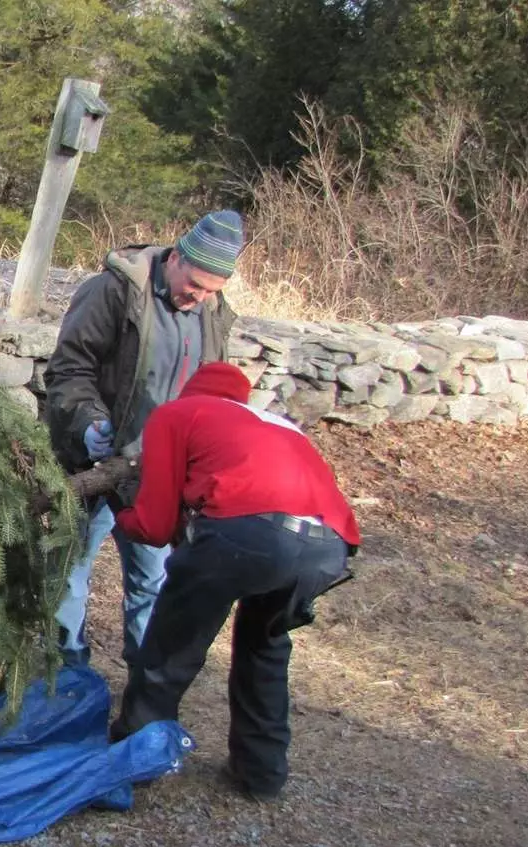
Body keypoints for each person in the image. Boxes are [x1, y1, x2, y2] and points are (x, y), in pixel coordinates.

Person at [109, 362, 360, 801]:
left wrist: (118, 509)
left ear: (192, 392)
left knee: (171, 649)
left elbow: (152, 524)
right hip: (328, 546)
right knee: (264, 648)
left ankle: (136, 760)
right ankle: (261, 774)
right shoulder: (281, 425)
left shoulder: (177, 414)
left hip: (246, 535)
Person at [42, 210, 244, 669]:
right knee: (70, 572)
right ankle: (67, 674)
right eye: (194, 283)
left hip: (158, 473)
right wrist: (88, 423)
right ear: (175, 257)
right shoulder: (113, 292)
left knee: (152, 579)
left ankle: (146, 679)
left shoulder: (212, 313)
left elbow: (211, 391)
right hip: (91, 462)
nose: (199, 297)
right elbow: (69, 369)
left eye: (213, 290)